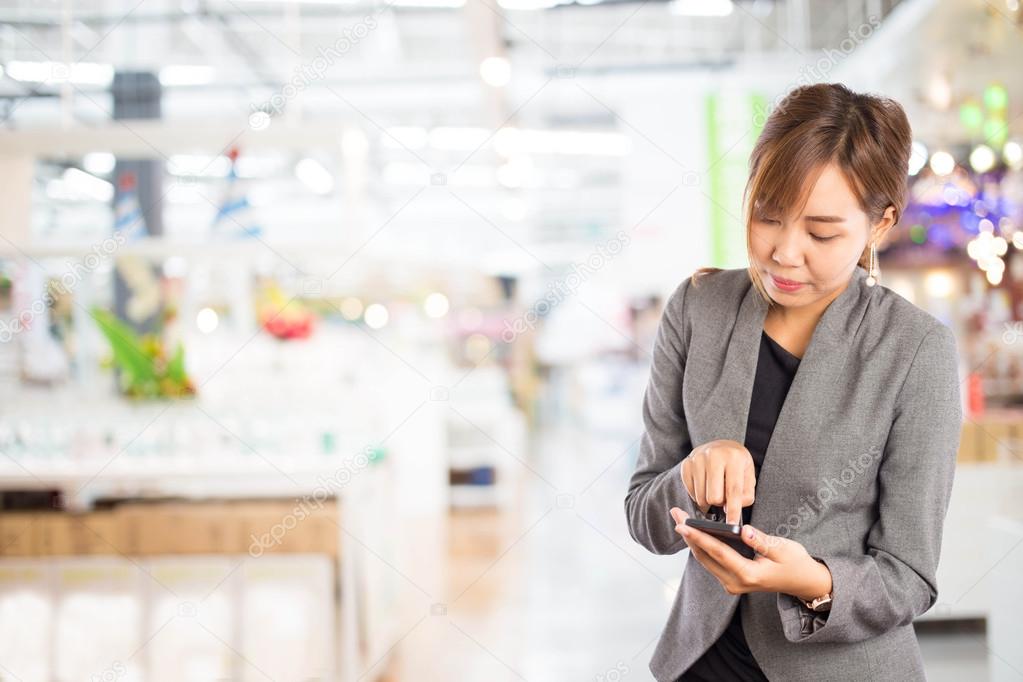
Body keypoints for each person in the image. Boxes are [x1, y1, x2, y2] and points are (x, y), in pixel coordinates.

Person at [624, 82, 963, 681]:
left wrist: (810, 581)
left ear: (880, 224)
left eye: (822, 233)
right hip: (701, 662)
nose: (784, 253)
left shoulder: (914, 351)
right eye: (766, 215)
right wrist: (691, 473)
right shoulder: (699, 309)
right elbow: (644, 513)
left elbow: (909, 577)